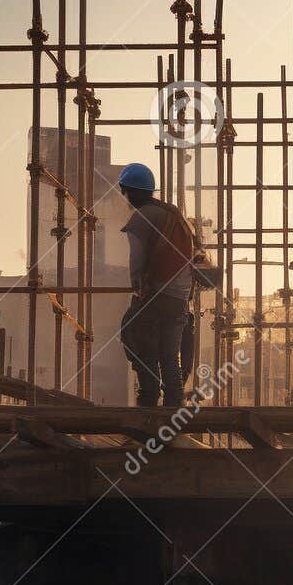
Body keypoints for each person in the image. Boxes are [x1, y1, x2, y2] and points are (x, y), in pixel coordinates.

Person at [118, 162, 194, 408]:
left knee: (140, 343)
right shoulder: (173, 214)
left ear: (129, 190)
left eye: (124, 190)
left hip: (156, 296)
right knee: (170, 356)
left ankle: (148, 399)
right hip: (179, 298)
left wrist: (138, 287)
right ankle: (174, 403)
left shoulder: (141, 218)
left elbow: (136, 259)